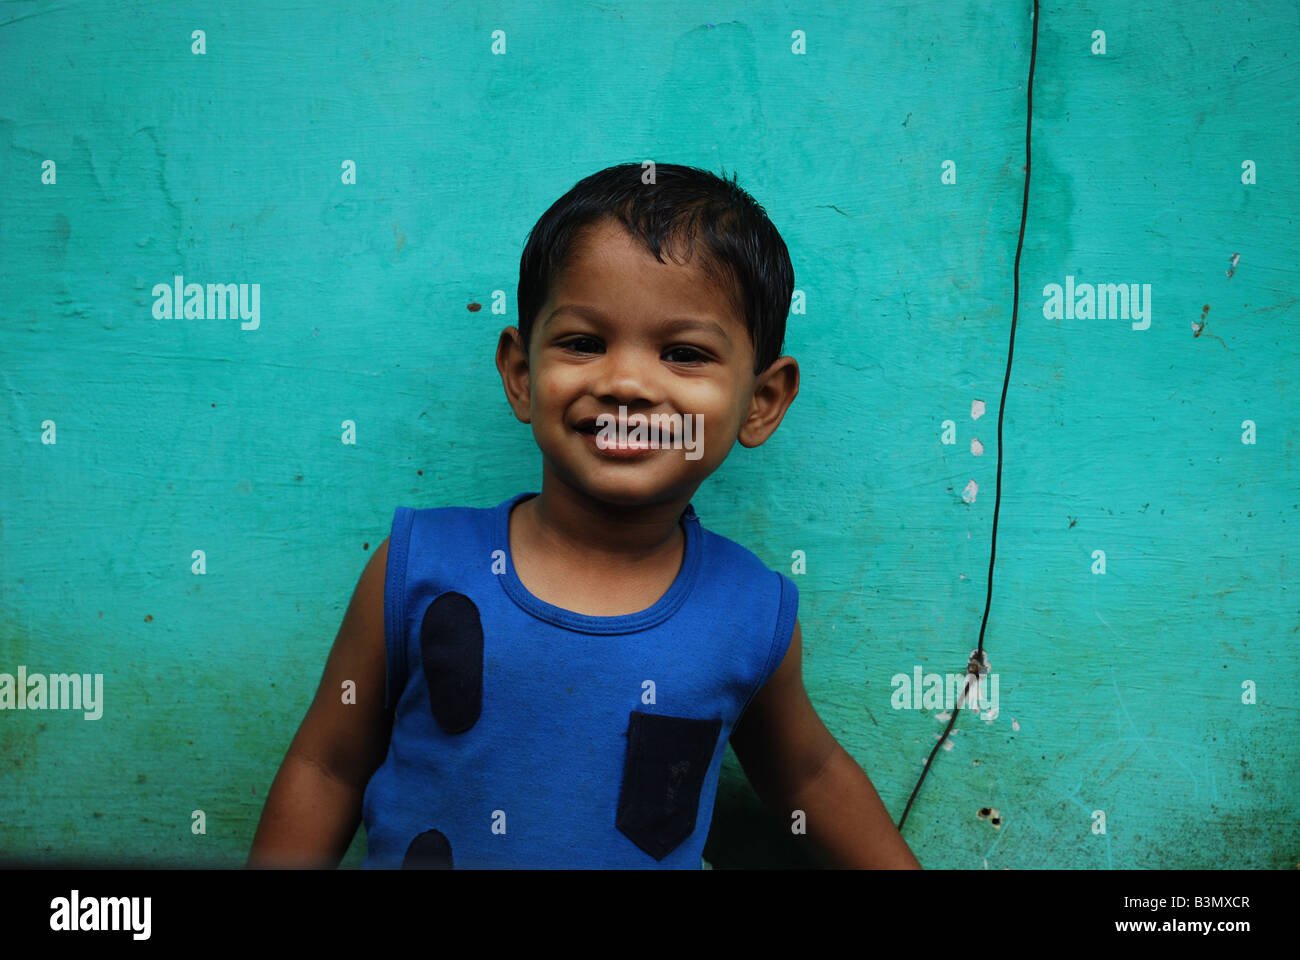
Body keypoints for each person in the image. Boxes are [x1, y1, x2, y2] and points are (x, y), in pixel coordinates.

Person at [248, 162, 921, 869]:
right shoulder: (419, 567)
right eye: (583, 343)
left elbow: (810, 777)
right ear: (522, 374)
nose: (626, 383)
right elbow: (327, 768)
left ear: (762, 401)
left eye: (683, 353)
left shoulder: (750, 613)